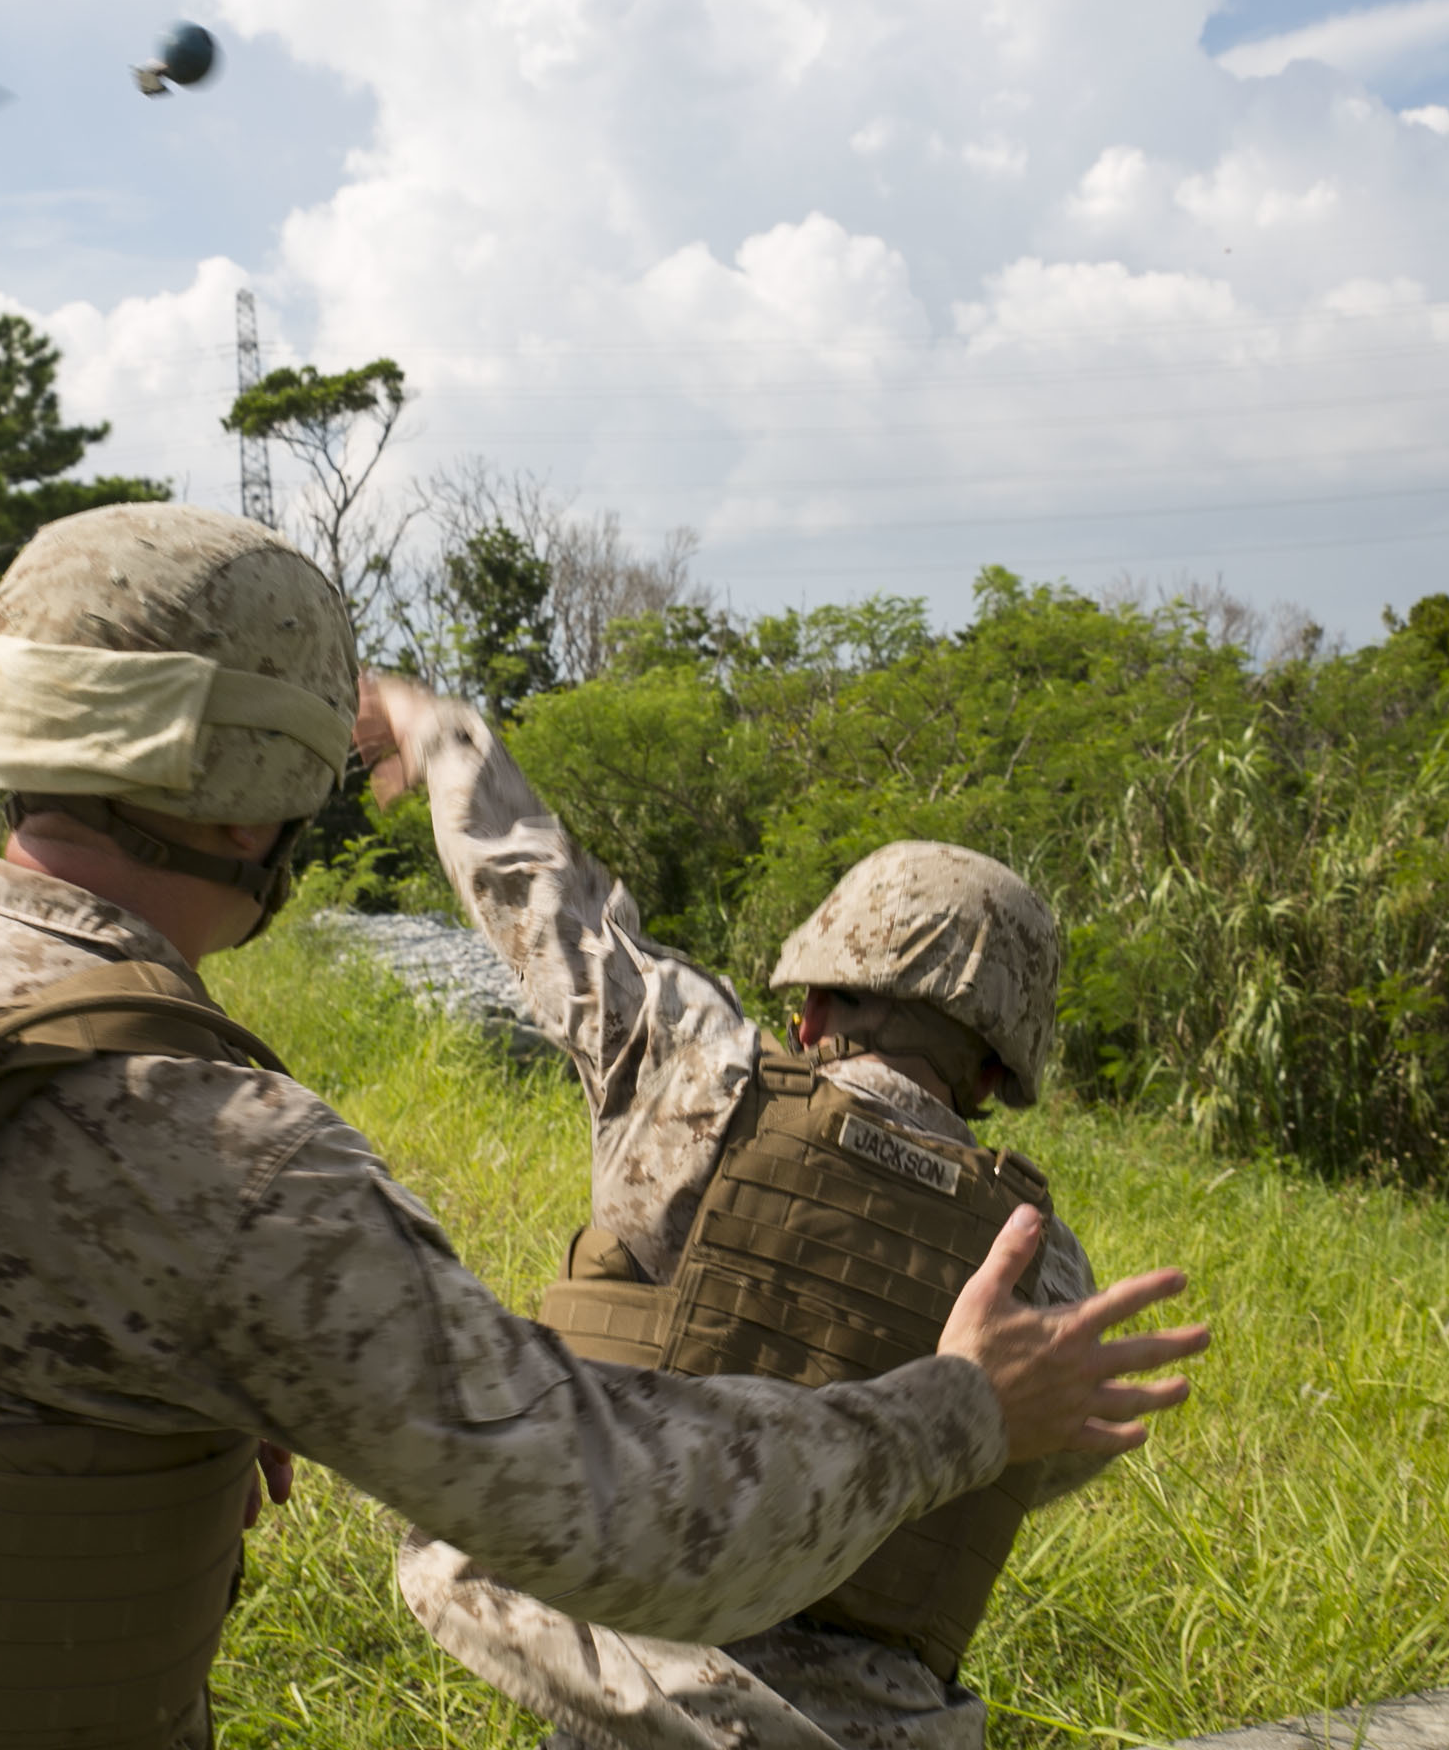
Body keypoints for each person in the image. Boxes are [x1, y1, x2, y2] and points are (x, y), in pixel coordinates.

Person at [0, 505, 1208, 1750]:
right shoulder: (230, 1154)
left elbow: (544, 899)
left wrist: (448, 737)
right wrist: (964, 1412)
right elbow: (626, 1519)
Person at [361, 669, 1186, 1750]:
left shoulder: (697, 1081)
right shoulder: (1046, 1267)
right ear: (993, 1079)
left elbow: (534, 886)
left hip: (635, 1668)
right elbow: (1019, 1465)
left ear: (810, 1009)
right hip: (878, 1726)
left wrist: (441, 733)